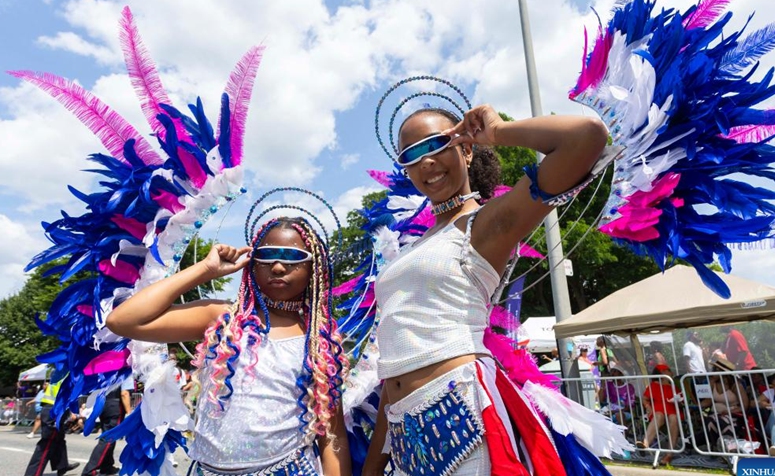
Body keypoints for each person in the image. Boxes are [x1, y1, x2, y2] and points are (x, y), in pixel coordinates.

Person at [361, 98, 626, 476]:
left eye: (437, 145)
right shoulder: (412, 248)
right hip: (403, 434)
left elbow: (587, 138)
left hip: (460, 419)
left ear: (466, 149)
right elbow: (396, 360)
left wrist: (498, 132)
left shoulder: (484, 225)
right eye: (411, 155)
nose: (426, 161)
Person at [106, 216, 351, 475]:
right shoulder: (223, 317)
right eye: (267, 256)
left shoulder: (319, 343)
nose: (278, 267)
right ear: (252, 263)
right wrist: (206, 269)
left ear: (313, 267)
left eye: (292, 257)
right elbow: (122, 320)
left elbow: (333, 437)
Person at [24, 377, 80, 476]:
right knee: (48, 443)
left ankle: (62, 465)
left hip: (54, 408)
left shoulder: (62, 370)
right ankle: (33, 473)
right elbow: (72, 391)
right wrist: (74, 410)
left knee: (59, 439)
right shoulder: (71, 371)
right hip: (55, 409)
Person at [81, 376, 133, 476]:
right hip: (115, 406)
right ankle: (89, 470)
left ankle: (107, 466)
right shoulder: (126, 372)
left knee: (108, 436)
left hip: (104, 404)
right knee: (108, 439)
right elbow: (124, 393)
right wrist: (129, 412)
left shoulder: (108, 371)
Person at [701, 358, 750, 453]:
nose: (712, 372)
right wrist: (693, 405)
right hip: (716, 414)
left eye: (715, 370)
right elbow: (708, 401)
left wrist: (728, 412)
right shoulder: (712, 383)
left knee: (717, 420)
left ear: (722, 372)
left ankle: (728, 449)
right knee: (711, 419)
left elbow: (744, 406)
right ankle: (720, 447)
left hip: (734, 415)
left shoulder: (736, 385)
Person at [638, 364, 682, 464]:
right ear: (662, 373)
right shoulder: (654, 385)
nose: (671, 372)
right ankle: (645, 444)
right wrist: (648, 407)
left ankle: (669, 454)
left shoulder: (673, 386)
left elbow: (681, 399)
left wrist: (678, 401)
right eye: (668, 370)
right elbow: (645, 399)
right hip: (657, 409)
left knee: (674, 418)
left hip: (672, 409)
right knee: (658, 415)